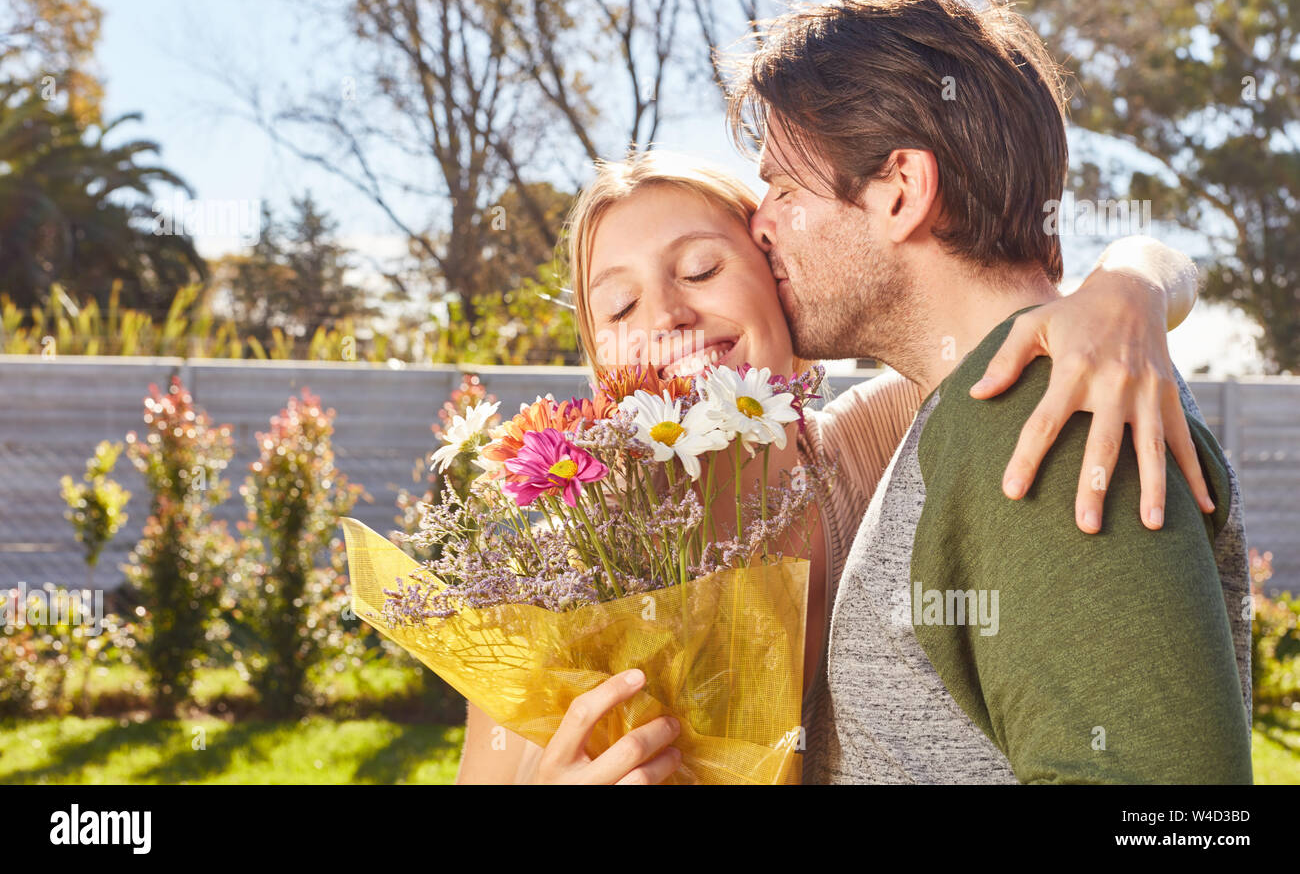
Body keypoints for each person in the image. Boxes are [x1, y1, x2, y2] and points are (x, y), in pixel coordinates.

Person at [454, 146, 1212, 784]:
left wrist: (1130, 287)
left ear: (779, 281)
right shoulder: (561, 581)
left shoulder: (882, 434)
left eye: (701, 268)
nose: (667, 316)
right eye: (619, 308)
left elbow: (1053, 305)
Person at [726, 0, 1252, 783]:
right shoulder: (982, 403)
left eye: (784, 188)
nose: (757, 225)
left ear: (901, 189)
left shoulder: (1058, 416)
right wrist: (1141, 277)